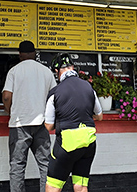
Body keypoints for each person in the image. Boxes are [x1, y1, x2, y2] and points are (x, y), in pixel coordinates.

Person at [2, 40, 57, 192]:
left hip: (19, 125)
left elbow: (6, 97)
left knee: (17, 166)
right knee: (45, 164)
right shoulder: (46, 71)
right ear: (35, 54)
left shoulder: (14, 71)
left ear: (19, 55)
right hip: (41, 124)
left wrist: (11, 111)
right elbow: (55, 97)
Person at [44, 53, 103, 192]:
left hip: (67, 143)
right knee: (81, 185)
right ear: (73, 68)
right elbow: (99, 116)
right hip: (88, 142)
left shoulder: (55, 92)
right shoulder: (88, 87)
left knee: (53, 185)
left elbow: (48, 126)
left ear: (58, 71)